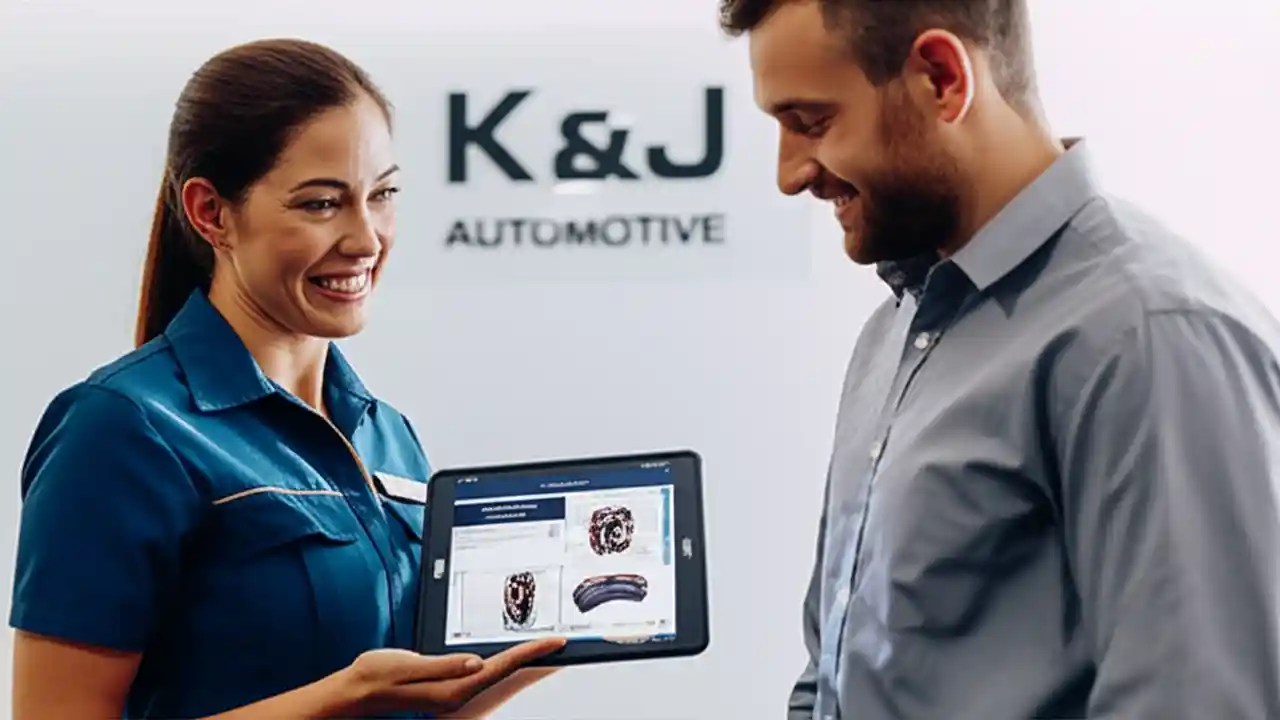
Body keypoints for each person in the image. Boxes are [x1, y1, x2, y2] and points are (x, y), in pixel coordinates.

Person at [718, 1, 1280, 718]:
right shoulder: (891, 334)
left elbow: (1199, 702)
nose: (790, 174)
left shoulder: (1150, 335)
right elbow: (832, 680)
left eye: (812, 123)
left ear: (942, 78)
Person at [9, 38, 564, 719]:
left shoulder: (387, 435)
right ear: (211, 212)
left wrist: (495, 675)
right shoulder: (122, 428)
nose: (367, 239)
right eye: (322, 204)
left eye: (383, 194)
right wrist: (343, 698)